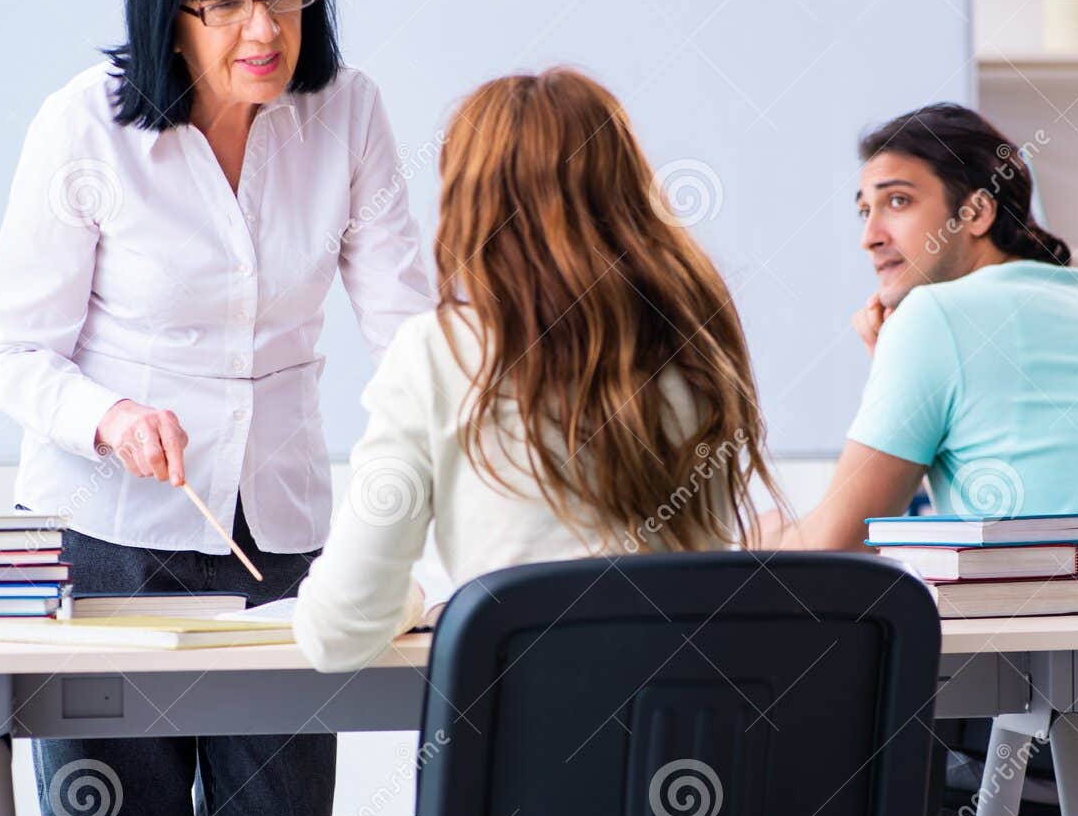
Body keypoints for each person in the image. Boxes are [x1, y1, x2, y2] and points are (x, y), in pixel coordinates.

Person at [0, 0, 432, 816]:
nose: (262, 28)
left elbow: (411, 333)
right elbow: (7, 355)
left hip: (278, 543)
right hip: (108, 538)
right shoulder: (85, 125)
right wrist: (113, 419)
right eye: (224, 3)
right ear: (168, 16)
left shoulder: (347, 112)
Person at [758, 101, 1078, 816]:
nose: (870, 235)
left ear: (976, 211)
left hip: (1034, 744)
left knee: (790, 713)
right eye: (863, 210)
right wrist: (896, 369)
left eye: (897, 202)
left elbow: (833, 545)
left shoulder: (934, 318)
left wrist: (753, 539)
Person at [292, 68, 788, 675]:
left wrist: (413, 601)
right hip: (692, 726)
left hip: (523, 732)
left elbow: (336, 634)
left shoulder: (439, 353)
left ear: (472, 204)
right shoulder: (698, 338)